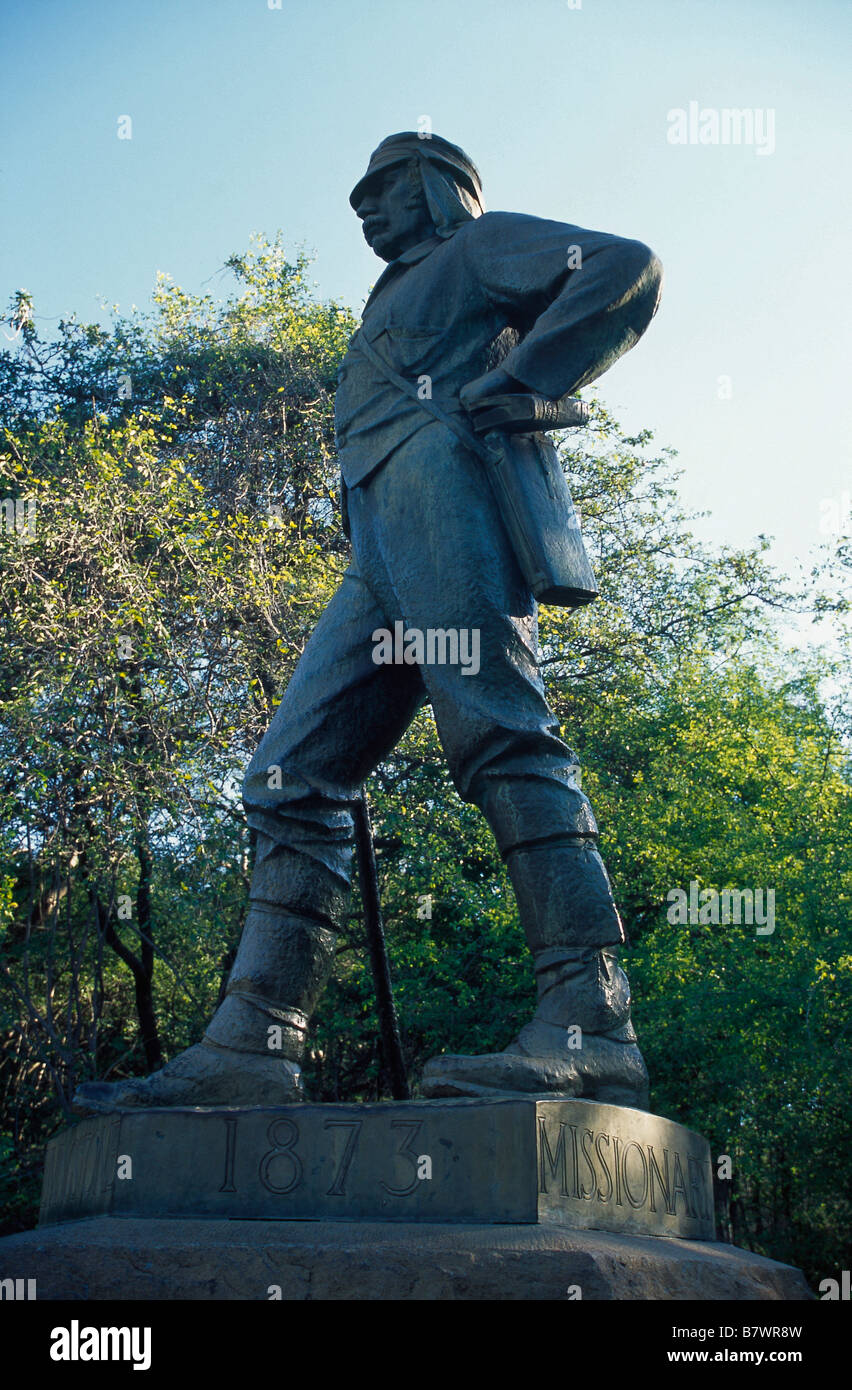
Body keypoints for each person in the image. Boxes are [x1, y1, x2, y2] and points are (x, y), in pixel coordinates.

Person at [74, 132, 663, 1115]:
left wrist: (521, 381)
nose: (366, 214)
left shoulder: (483, 246)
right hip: (378, 542)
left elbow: (626, 267)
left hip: (446, 493)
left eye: (383, 192)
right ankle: (253, 1049)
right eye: (359, 202)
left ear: (436, 186)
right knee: (288, 775)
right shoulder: (388, 296)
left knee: (502, 730)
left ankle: (591, 1022)